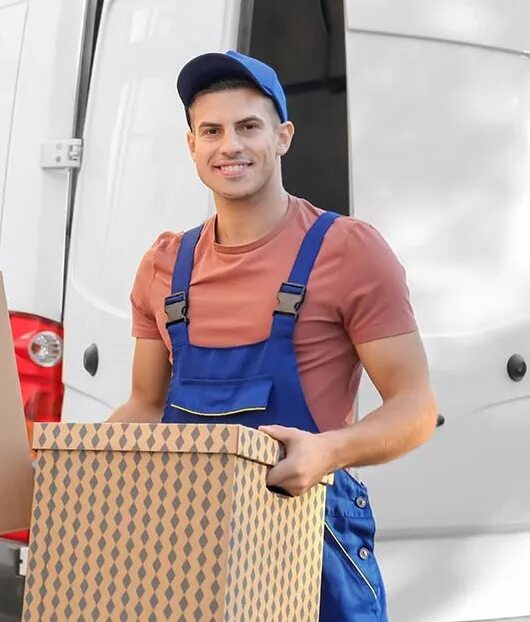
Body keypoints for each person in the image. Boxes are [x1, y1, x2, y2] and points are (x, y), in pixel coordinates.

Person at [109, 50, 437, 621]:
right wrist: (64, 468)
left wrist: (327, 451)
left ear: (283, 136)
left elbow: (415, 407)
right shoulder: (164, 264)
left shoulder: (349, 250)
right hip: (186, 545)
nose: (228, 145)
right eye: (211, 130)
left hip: (309, 537)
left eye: (248, 127)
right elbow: (146, 404)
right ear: (192, 146)